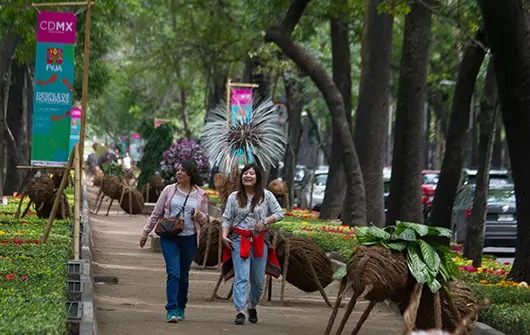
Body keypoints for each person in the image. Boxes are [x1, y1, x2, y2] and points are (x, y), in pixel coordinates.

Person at [139, 160, 210, 323]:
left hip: (189, 238)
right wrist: (145, 233)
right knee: (173, 273)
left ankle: (181, 307)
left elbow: (206, 220)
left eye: (182, 170)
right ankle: (171, 309)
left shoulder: (201, 195)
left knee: (183, 275)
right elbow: (156, 213)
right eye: (177, 170)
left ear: (190, 174)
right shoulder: (169, 190)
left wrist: (198, 214)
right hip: (169, 237)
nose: (178, 173)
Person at [221, 163, 284, 325]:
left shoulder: (267, 196)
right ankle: (240, 311)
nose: (248, 176)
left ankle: (252, 305)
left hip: (259, 241)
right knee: (241, 277)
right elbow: (227, 218)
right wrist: (224, 235)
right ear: (241, 177)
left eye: (252, 174)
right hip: (238, 240)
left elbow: (279, 214)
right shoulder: (234, 197)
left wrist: (265, 222)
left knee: (258, 280)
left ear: (257, 177)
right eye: (245, 173)